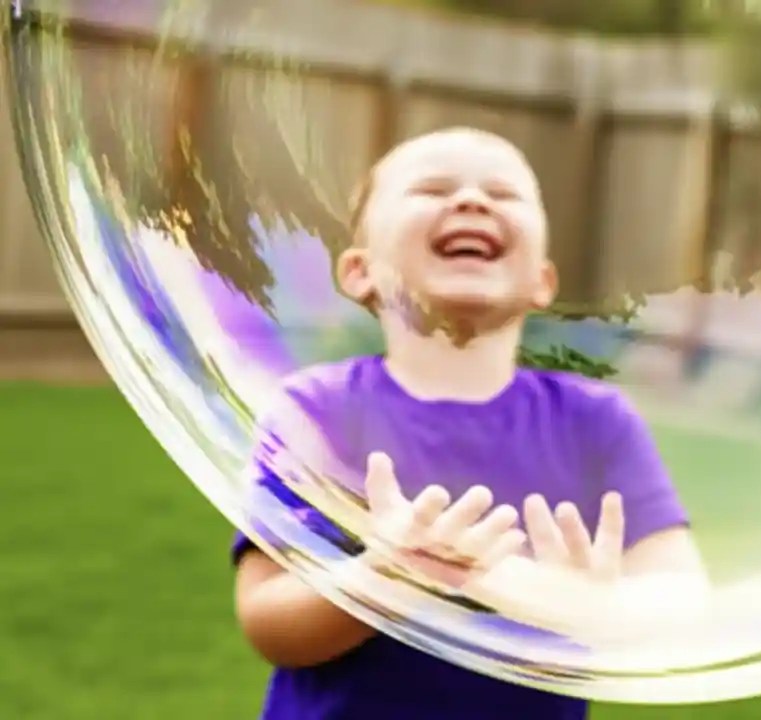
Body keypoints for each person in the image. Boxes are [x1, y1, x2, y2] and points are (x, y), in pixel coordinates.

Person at [230, 126, 709, 720]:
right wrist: (386, 578)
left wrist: (594, 606)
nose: (472, 200)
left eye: (503, 194)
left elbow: (678, 598)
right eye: (433, 189)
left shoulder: (597, 422)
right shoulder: (317, 410)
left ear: (543, 282)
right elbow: (268, 622)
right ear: (359, 271)